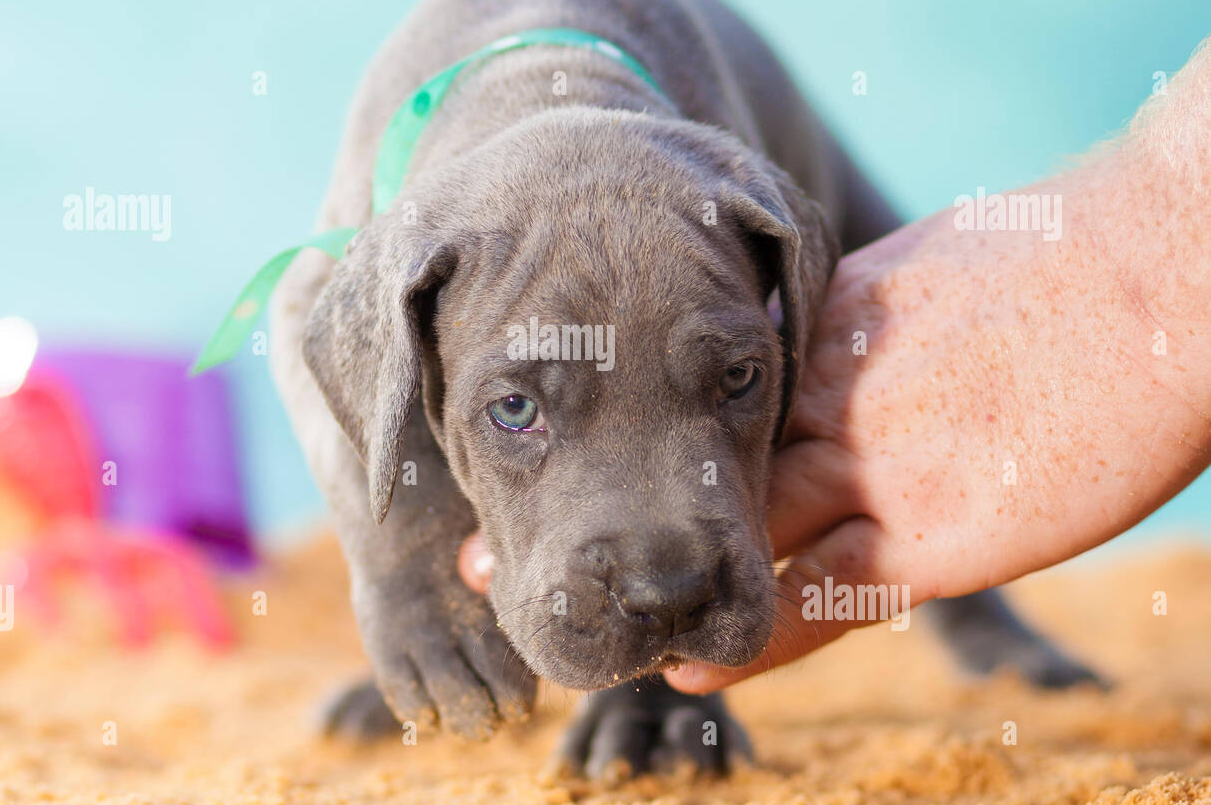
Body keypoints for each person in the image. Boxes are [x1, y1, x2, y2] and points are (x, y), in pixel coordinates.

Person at [458, 37, 1211, 692]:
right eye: (518, 408)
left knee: (897, 315)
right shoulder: (432, 250)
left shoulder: (737, 200)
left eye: (737, 379)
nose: (667, 578)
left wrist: (1153, 282)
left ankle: (985, 625)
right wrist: (401, 591)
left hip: (741, 121)